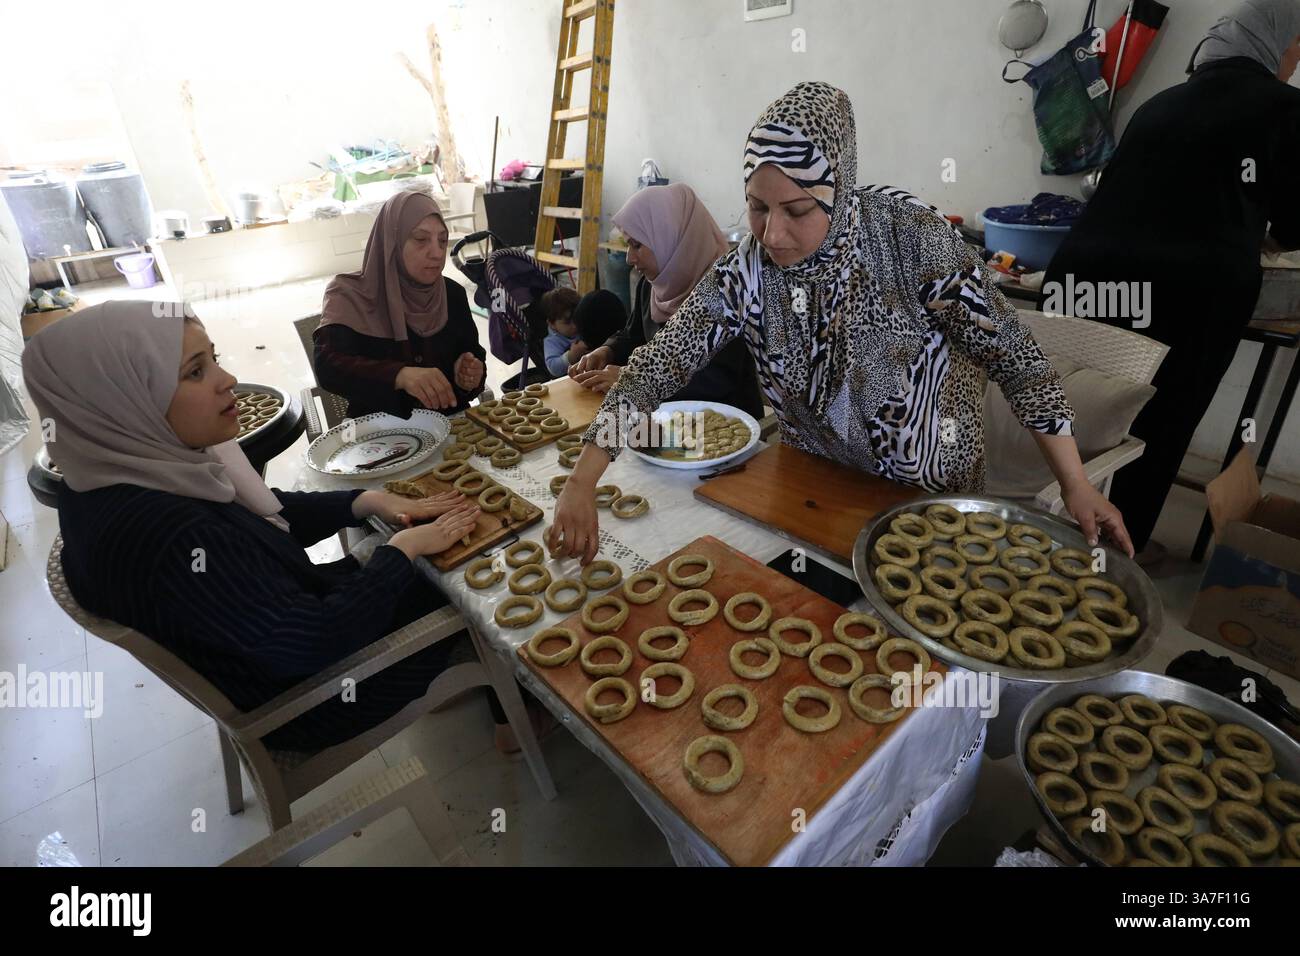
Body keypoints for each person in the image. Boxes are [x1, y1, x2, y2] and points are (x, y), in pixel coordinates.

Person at [551, 81, 1133, 563]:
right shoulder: (749, 269)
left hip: (927, 495)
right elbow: (658, 365)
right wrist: (583, 480)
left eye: (797, 210)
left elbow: (1018, 362)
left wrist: (1077, 484)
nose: (772, 234)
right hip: (816, 484)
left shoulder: (913, 243)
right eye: (756, 206)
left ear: (839, 187)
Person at [22, 301, 534, 753]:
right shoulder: (168, 536)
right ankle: (518, 716)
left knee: (421, 555)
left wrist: (365, 500)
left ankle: (460, 667)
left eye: (213, 358)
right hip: (314, 697)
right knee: (471, 576)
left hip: (269, 641)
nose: (226, 379)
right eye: (195, 372)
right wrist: (400, 550)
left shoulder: (117, 476)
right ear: (125, 397)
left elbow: (259, 516)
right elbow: (312, 639)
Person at [1045, 0, 1300, 559]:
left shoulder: (1161, 103)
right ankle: (1117, 545)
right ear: (1276, 47)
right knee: (1160, 413)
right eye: (1294, 51)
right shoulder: (1285, 107)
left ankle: (1043, 521)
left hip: (1084, 276)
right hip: (1188, 293)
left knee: (1076, 399)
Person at [569, 183, 766, 421]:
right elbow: (635, 335)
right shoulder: (652, 285)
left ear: (667, 235)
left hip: (724, 422)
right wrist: (607, 350)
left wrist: (639, 380)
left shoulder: (727, 292)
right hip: (664, 418)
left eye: (637, 245)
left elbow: (716, 379)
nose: (630, 258)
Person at [313, 191, 486, 418]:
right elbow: (329, 366)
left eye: (442, 241)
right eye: (421, 239)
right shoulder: (349, 294)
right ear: (392, 241)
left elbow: (472, 354)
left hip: (449, 428)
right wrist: (399, 376)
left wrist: (469, 375)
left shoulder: (451, 294)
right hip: (379, 434)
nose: (436, 253)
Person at [539, 287, 586, 377]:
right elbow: (553, 367)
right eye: (567, 322)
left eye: (577, 318)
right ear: (552, 324)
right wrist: (571, 356)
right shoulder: (552, 341)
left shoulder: (584, 326)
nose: (575, 325)